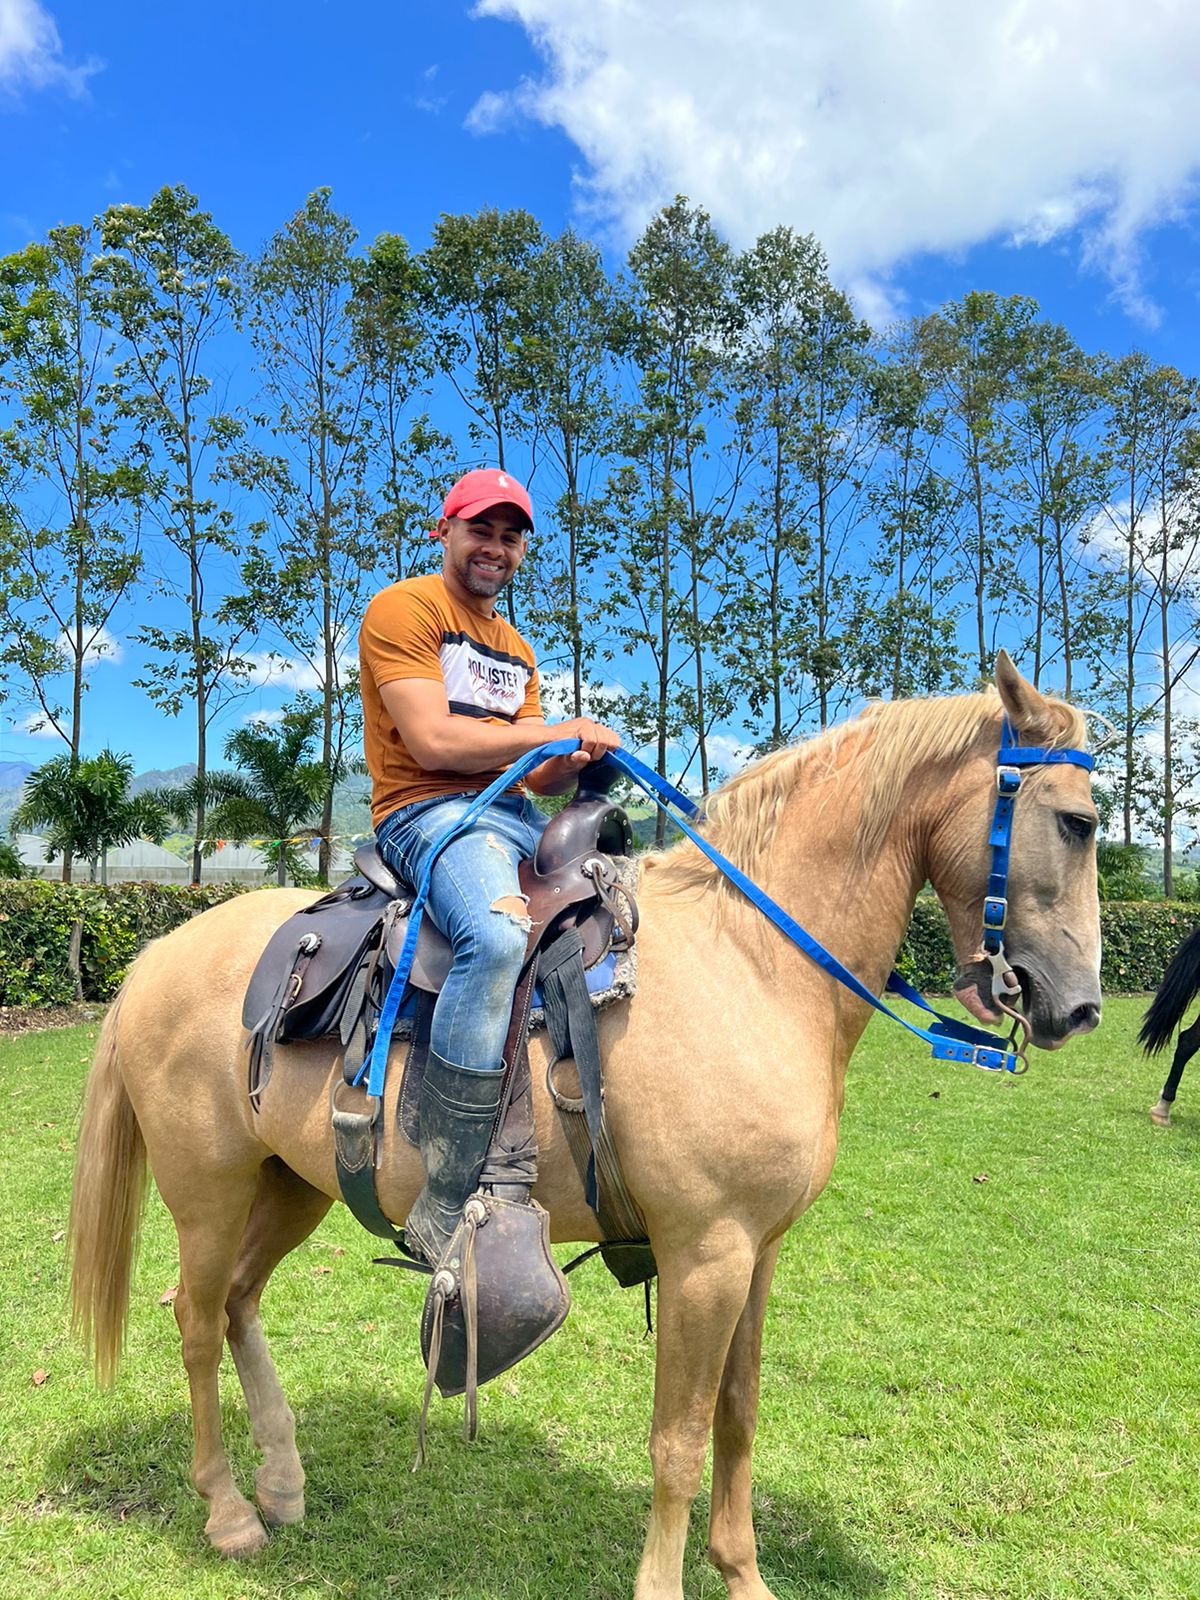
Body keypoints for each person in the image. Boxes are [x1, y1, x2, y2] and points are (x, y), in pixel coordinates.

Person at [358, 467, 620, 1267]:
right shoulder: (403, 609)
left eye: (511, 536)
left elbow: (534, 767)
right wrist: (545, 737)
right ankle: (447, 1189)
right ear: (444, 532)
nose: (496, 548)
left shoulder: (514, 647)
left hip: (513, 815)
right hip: (427, 813)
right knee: (498, 938)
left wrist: (572, 758)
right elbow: (434, 742)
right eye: (481, 530)